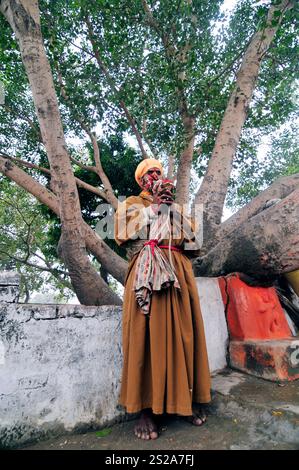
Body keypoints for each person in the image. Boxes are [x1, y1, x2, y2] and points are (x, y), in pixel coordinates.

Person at [114, 158, 211, 440]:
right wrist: (154, 209)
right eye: (148, 173)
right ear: (141, 181)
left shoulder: (179, 209)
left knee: (184, 334)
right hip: (147, 270)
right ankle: (147, 409)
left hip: (179, 271)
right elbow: (120, 233)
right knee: (146, 336)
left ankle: (186, 400)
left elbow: (195, 242)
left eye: (158, 171)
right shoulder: (131, 202)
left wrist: (171, 211)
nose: (154, 174)